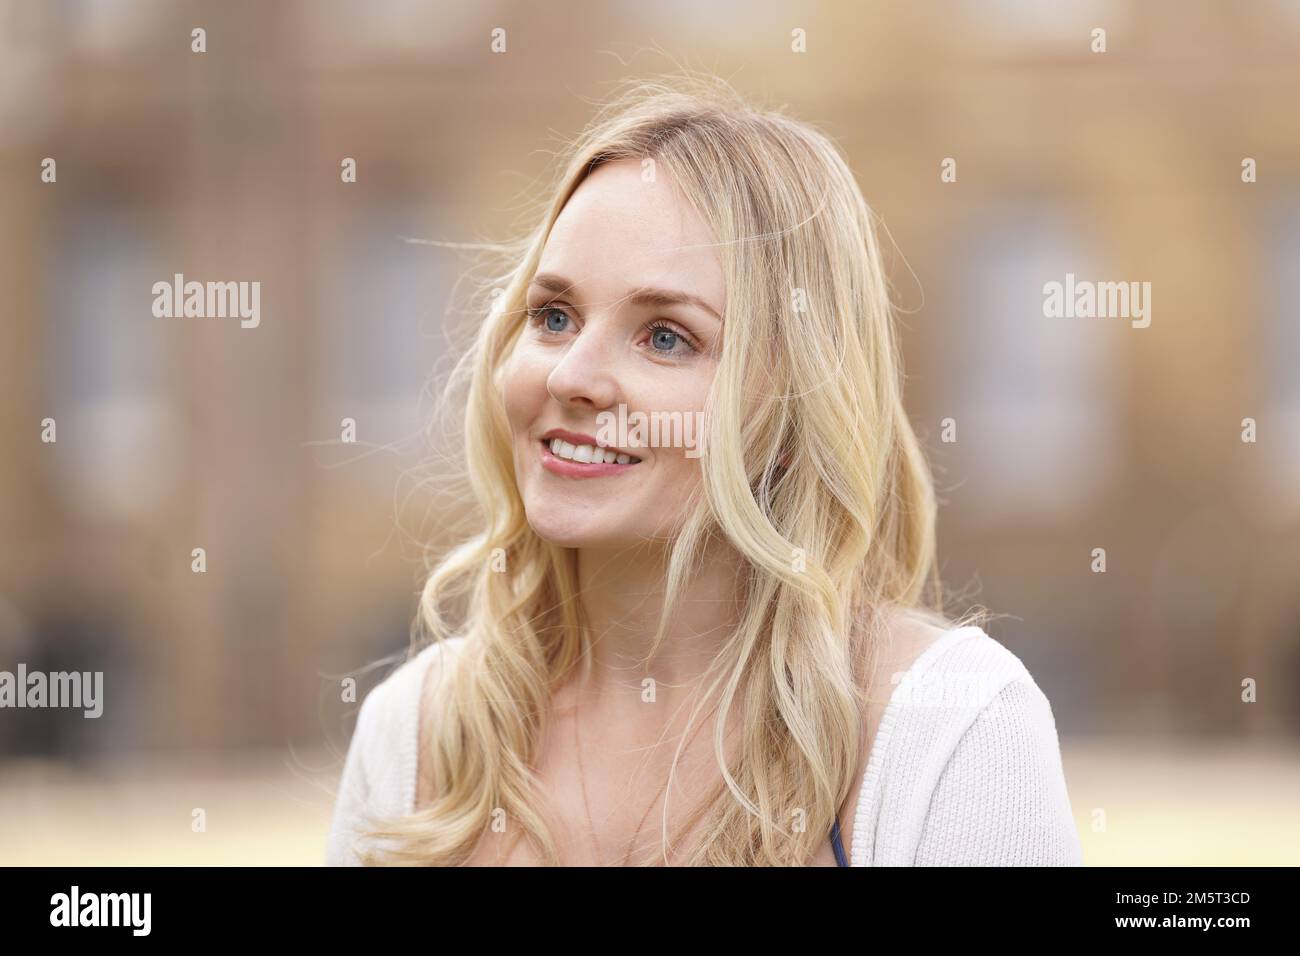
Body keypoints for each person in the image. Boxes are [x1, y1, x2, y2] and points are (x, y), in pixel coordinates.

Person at [325, 74, 1083, 867]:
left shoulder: (951, 726)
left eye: (665, 337)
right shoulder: (413, 734)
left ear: (792, 413)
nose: (571, 376)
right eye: (554, 316)